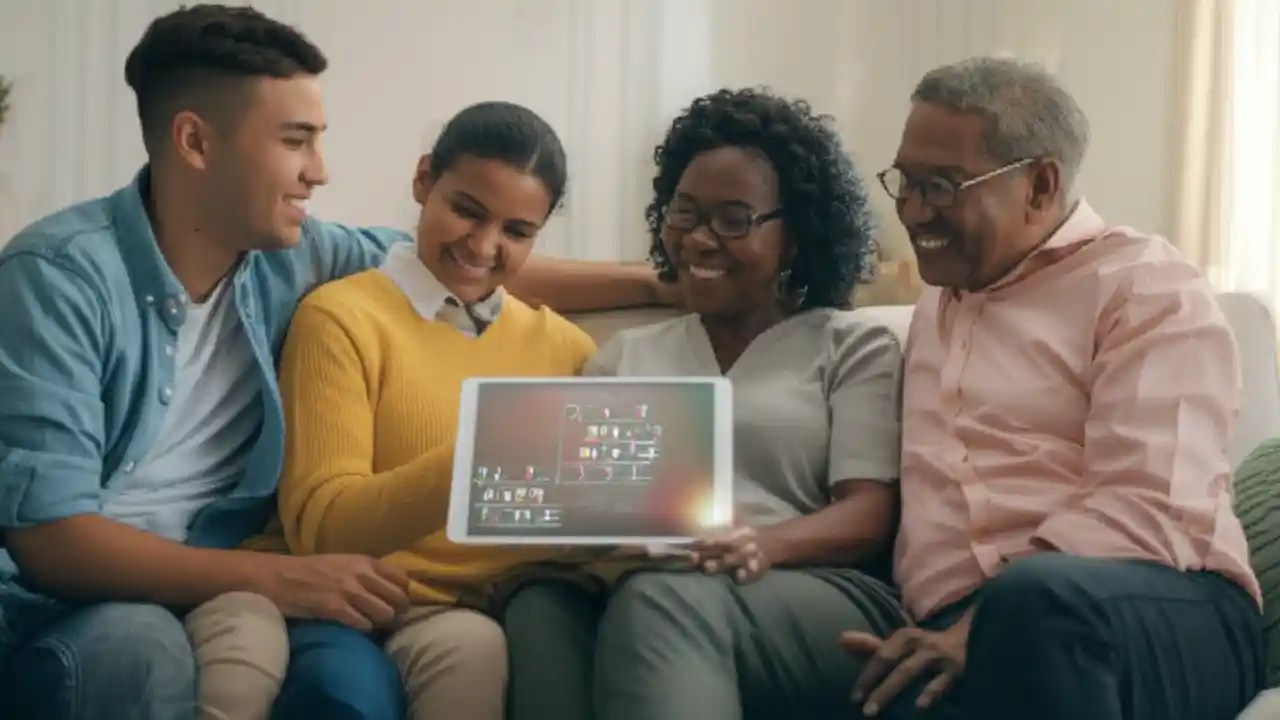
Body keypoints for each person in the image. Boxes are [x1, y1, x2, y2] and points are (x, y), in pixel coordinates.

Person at [0, 5, 661, 719]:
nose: (320, 171)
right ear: (195, 141)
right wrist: (277, 580)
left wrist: (660, 283)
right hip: (59, 604)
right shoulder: (58, 277)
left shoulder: (295, 255)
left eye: (318, 140)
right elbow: (51, 540)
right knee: (143, 646)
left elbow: (472, 266)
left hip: (215, 570)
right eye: (296, 141)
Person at [840, 57, 1265, 720]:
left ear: (1039, 185)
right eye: (907, 181)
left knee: (1035, 604)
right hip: (960, 621)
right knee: (892, 693)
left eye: (943, 186)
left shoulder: (1145, 286)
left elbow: (1150, 506)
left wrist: (979, 625)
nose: (913, 211)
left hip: (1154, 604)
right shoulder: (933, 307)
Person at [503, 87, 908, 720]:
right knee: (540, 605)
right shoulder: (623, 356)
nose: (697, 239)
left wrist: (761, 543)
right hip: (652, 577)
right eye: (684, 213)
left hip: (810, 589)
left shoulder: (850, 344)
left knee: (662, 597)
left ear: (795, 237)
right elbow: (586, 505)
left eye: (733, 219)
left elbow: (867, 515)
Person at [243, 99, 592, 720]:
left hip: (466, 619)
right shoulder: (342, 317)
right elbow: (322, 527)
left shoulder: (566, 349)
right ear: (424, 180)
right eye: (466, 210)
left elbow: (592, 522)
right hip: (338, 600)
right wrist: (486, 456)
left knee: (473, 655)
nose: (483, 247)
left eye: (516, 232)